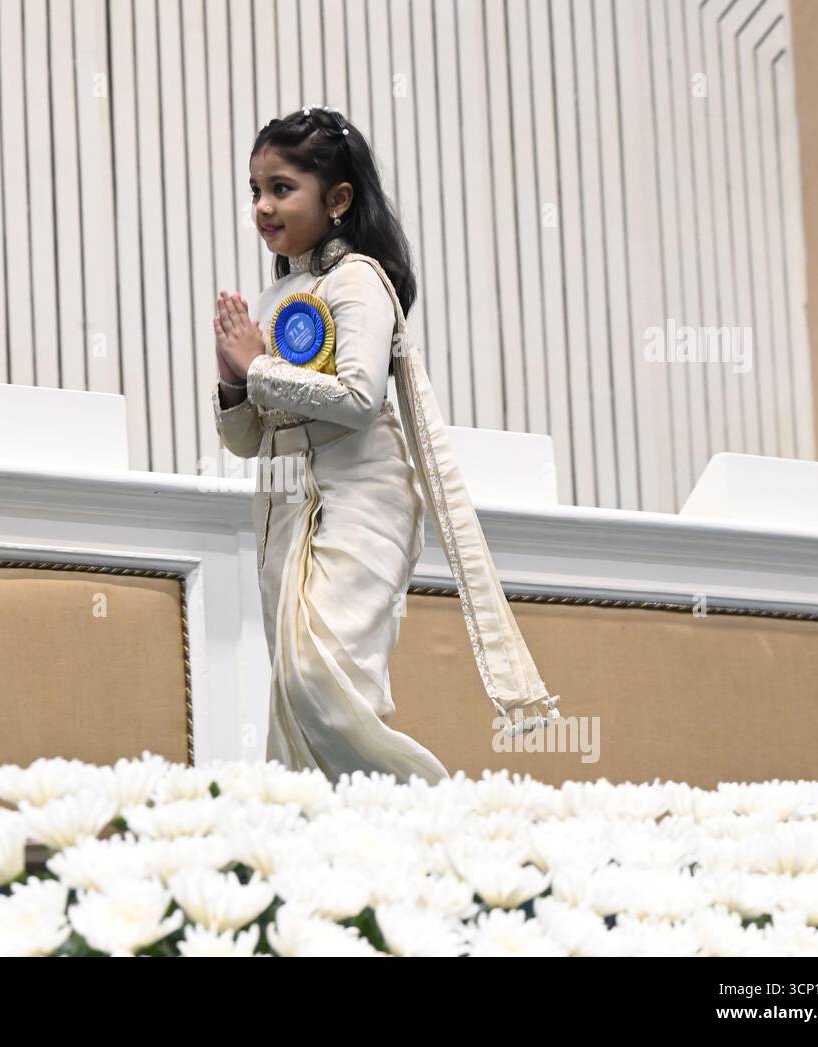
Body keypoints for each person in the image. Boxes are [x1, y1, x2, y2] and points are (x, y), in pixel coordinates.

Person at [212, 106, 559, 785]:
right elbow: (248, 440)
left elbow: (356, 399)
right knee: (296, 682)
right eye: (254, 189)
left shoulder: (358, 280)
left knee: (322, 672)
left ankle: (426, 808)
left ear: (337, 198)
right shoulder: (276, 291)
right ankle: (331, 838)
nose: (262, 206)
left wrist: (256, 367)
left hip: (361, 496)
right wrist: (232, 383)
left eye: (281, 188)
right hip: (285, 507)